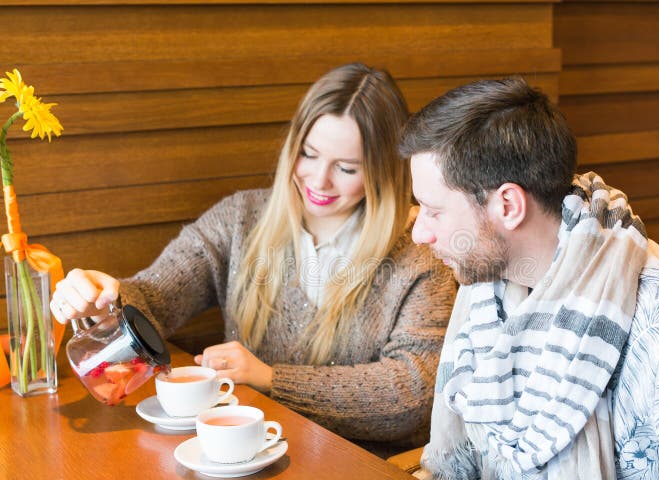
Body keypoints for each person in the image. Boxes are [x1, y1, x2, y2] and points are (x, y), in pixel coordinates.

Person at [399, 77, 659, 480]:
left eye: (434, 211)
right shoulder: (487, 286)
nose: (420, 233)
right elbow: (450, 471)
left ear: (508, 206)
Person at [51, 63, 455, 455]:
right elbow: (157, 297)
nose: (319, 180)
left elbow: (413, 394)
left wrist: (270, 378)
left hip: (359, 473)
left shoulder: (420, 253)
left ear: (383, 170)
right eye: (308, 154)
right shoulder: (241, 219)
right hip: (238, 458)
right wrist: (106, 298)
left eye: (347, 168)